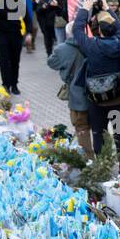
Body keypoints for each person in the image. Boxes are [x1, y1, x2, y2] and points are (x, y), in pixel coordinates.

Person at [71, 3, 120, 173]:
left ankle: (103, 168)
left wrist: (84, 8)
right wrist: (108, 8)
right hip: (118, 101)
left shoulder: (91, 45)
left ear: (100, 31)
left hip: (97, 103)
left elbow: (76, 29)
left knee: (98, 134)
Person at [46, 21, 93, 153]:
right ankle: (104, 157)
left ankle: (88, 160)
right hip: (97, 94)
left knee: (81, 127)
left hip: (77, 96)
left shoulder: (61, 49)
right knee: (100, 128)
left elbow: (51, 63)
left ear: (67, 33)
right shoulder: (93, 44)